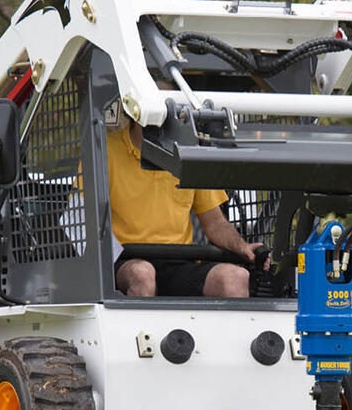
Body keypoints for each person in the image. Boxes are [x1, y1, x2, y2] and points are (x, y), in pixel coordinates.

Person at [107, 113, 263, 298]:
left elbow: (215, 223)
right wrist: (110, 255)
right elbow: (80, 220)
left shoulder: (191, 153)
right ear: (136, 112)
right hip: (127, 260)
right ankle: (144, 329)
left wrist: (242, 246)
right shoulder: (105, 149)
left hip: (178, 262)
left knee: (235, 278)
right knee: (143, 274)